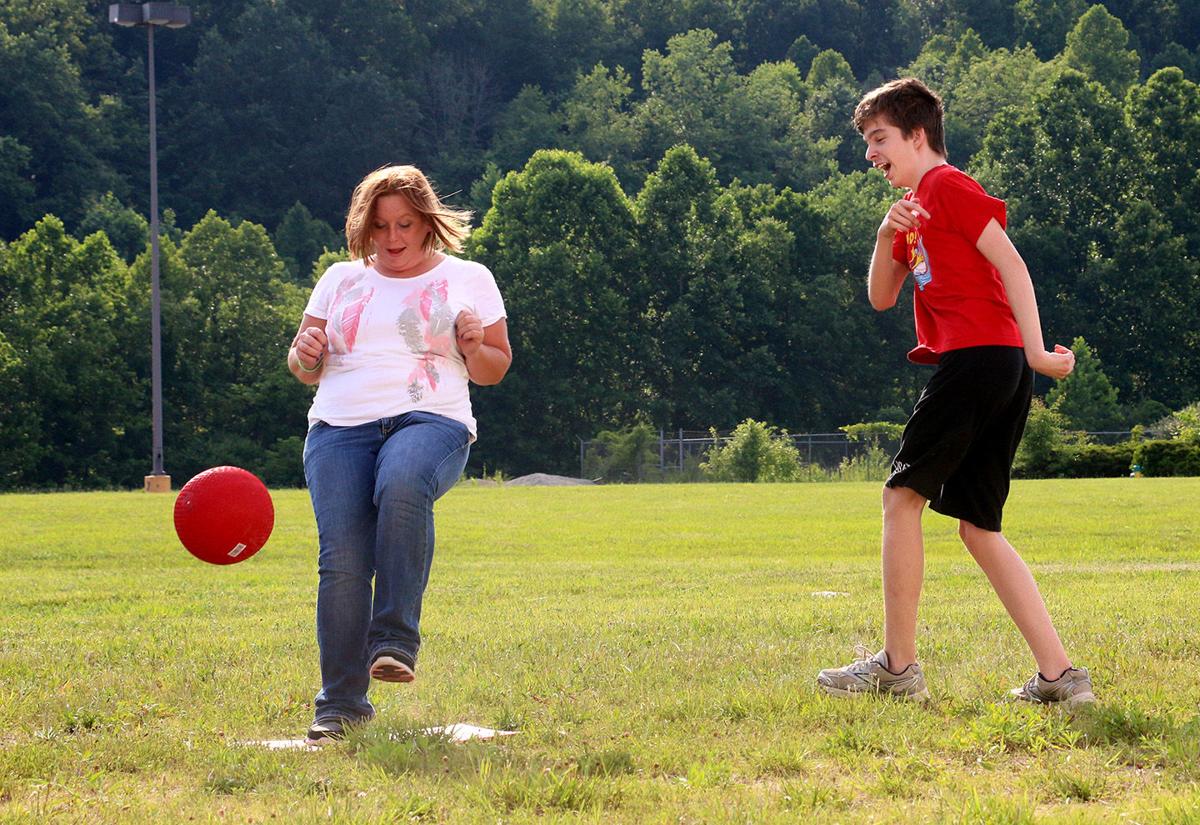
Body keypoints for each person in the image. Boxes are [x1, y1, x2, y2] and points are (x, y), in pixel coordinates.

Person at [816, 78, 1094, 706]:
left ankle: (897, 667)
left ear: (917, 136)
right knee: (978, 527)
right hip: (993, 366)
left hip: (979, 361)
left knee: (899, 499)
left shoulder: (945, 186)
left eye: (879, 139)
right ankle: (1060, 678)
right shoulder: (915, 208)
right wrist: (887, 235)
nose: (869, 154)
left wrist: (1035, 349)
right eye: (866, 142)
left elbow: (1012, 263)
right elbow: (882, 298)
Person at [288, 165, 512, 743]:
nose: (393, 238)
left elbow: (494, 369)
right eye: (381, 226)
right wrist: (304, 351)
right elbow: (303, 368)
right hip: (339, 425)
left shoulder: (470, 277)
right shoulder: (339, 280)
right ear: (363, 228)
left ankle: (393, 641)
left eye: (405, 224)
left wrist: (471, 345)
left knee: (404, 482)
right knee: (342, 561)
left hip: (430, 418)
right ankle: (341, 706)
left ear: (427, 222)